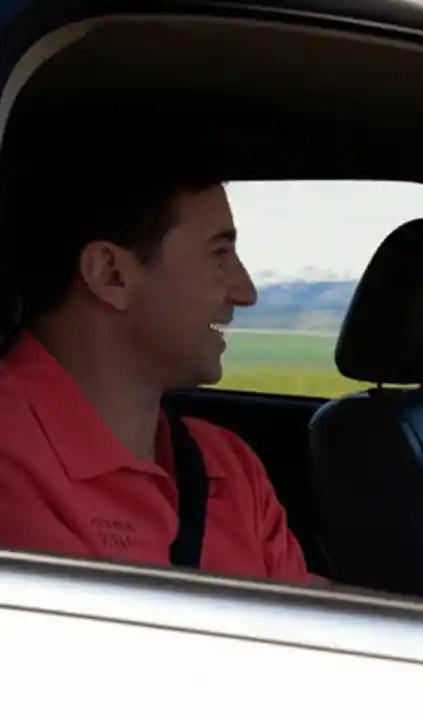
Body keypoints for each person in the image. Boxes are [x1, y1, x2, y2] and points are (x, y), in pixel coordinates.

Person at [0, 141, 322, 584]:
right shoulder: (13, 464)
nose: (246, 292)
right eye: (219, 255)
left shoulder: (228, 466)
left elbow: (305, 620)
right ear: (112, 274)